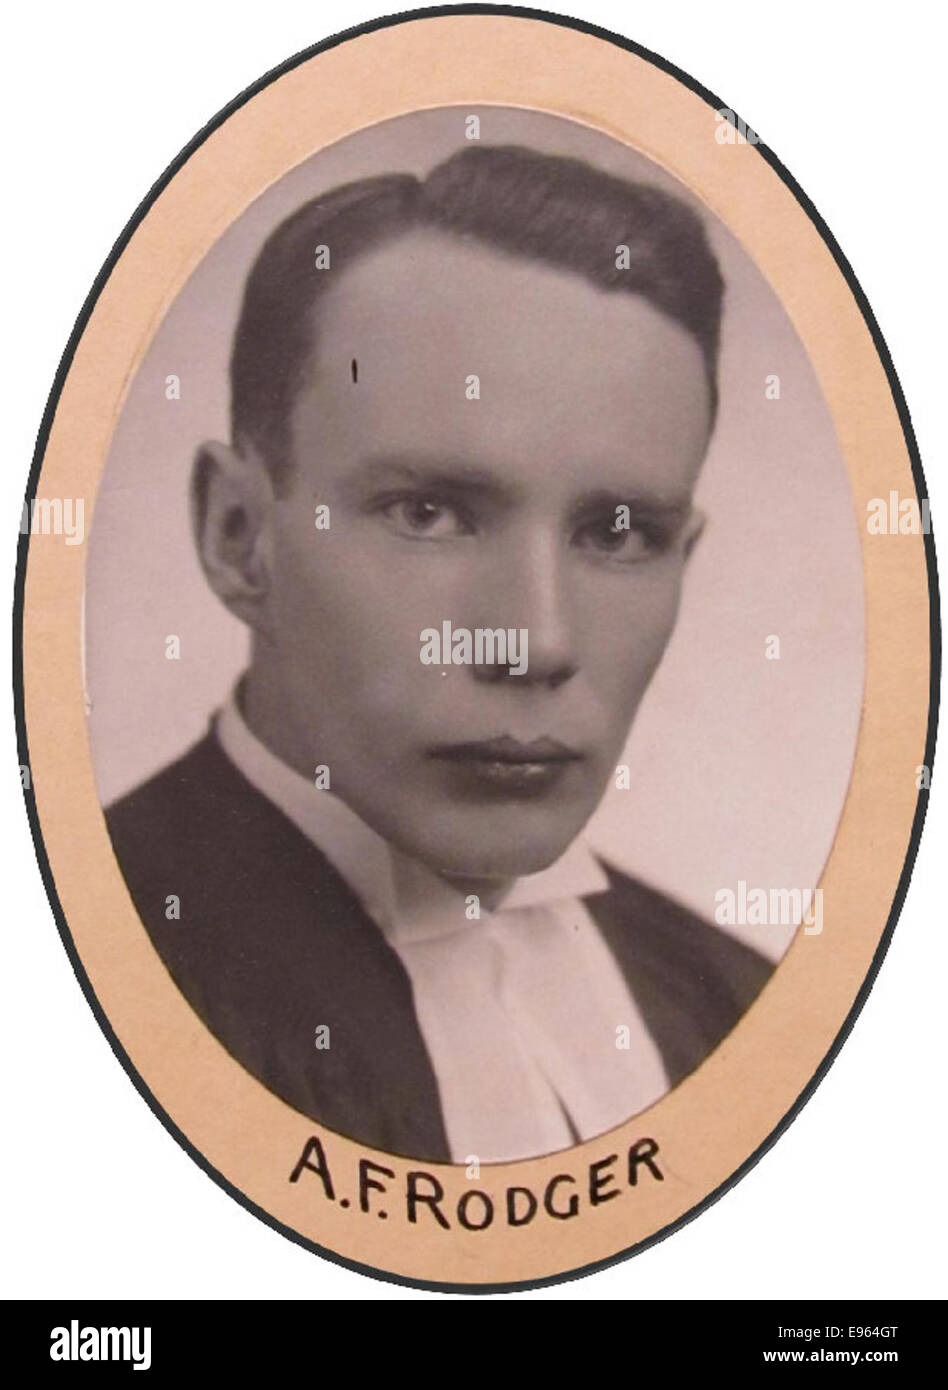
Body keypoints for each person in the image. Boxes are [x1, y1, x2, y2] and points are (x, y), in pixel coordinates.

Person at [105, 144, 773, 1162]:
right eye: (429, 513)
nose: (539, 643)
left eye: (618, 532)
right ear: (238, 536)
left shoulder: (748, 1010)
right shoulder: (71, 974)